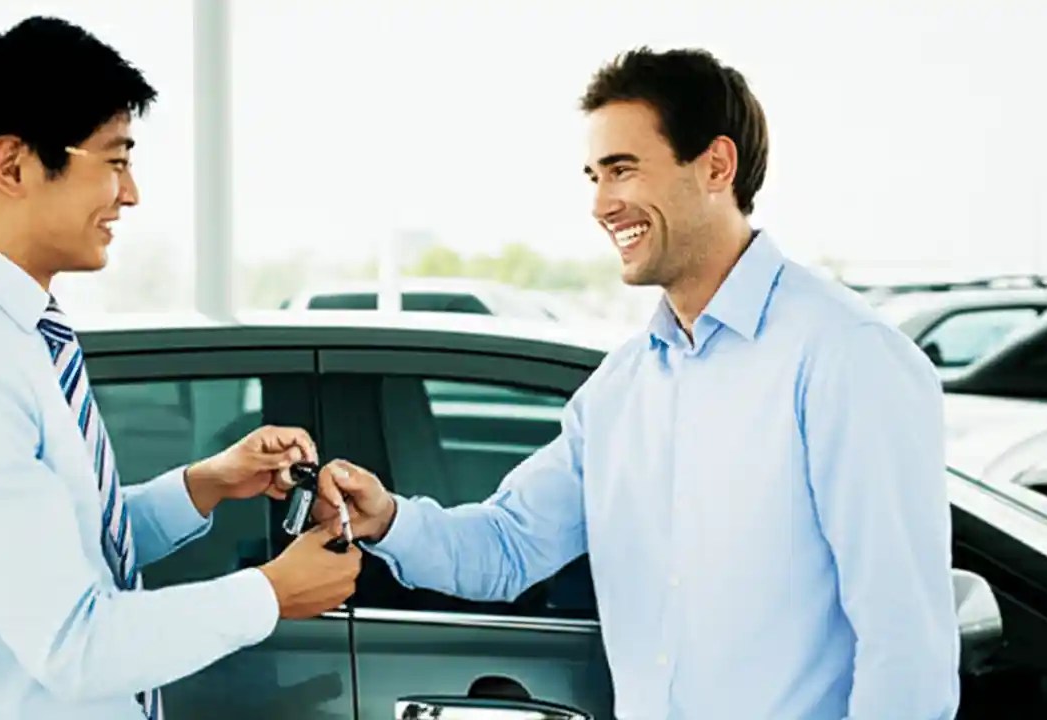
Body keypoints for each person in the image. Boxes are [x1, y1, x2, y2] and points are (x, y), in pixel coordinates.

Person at [315, 47, 960, 719]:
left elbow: (904, 646)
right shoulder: (622, 388)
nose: (600, 204)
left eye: (622, 170)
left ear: (716, 165)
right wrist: (387, 519)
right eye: (593, 176)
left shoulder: (845, 356)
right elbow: (508, 547)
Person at [0, 16, 359, 720]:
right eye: (114, 161)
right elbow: (73, 643)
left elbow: (63, 552)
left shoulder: (10, 337)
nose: (131, 193)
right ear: (12, 165)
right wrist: (269, 594)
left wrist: (203, 486)